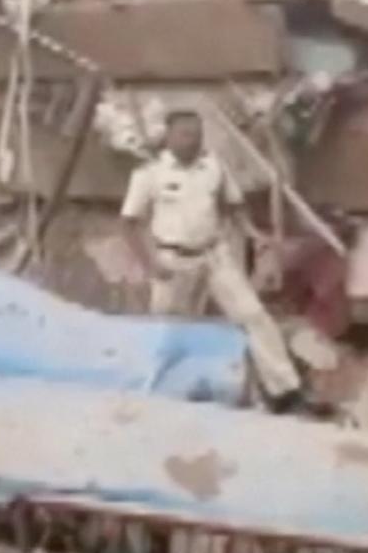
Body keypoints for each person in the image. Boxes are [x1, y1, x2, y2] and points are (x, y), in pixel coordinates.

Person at [122, 111, 303, 409]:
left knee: (253, 315)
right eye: (186, 134)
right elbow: (128, 224)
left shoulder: (214, 167)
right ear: (168, 137)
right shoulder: (149, 174)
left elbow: (233, 206)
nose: (193, 141)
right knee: (165, 331)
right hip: (173, 260)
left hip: (214, 255)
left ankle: (285, 390)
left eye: (197, 134)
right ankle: (153, 394)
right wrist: (150, 264)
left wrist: (253, 234)